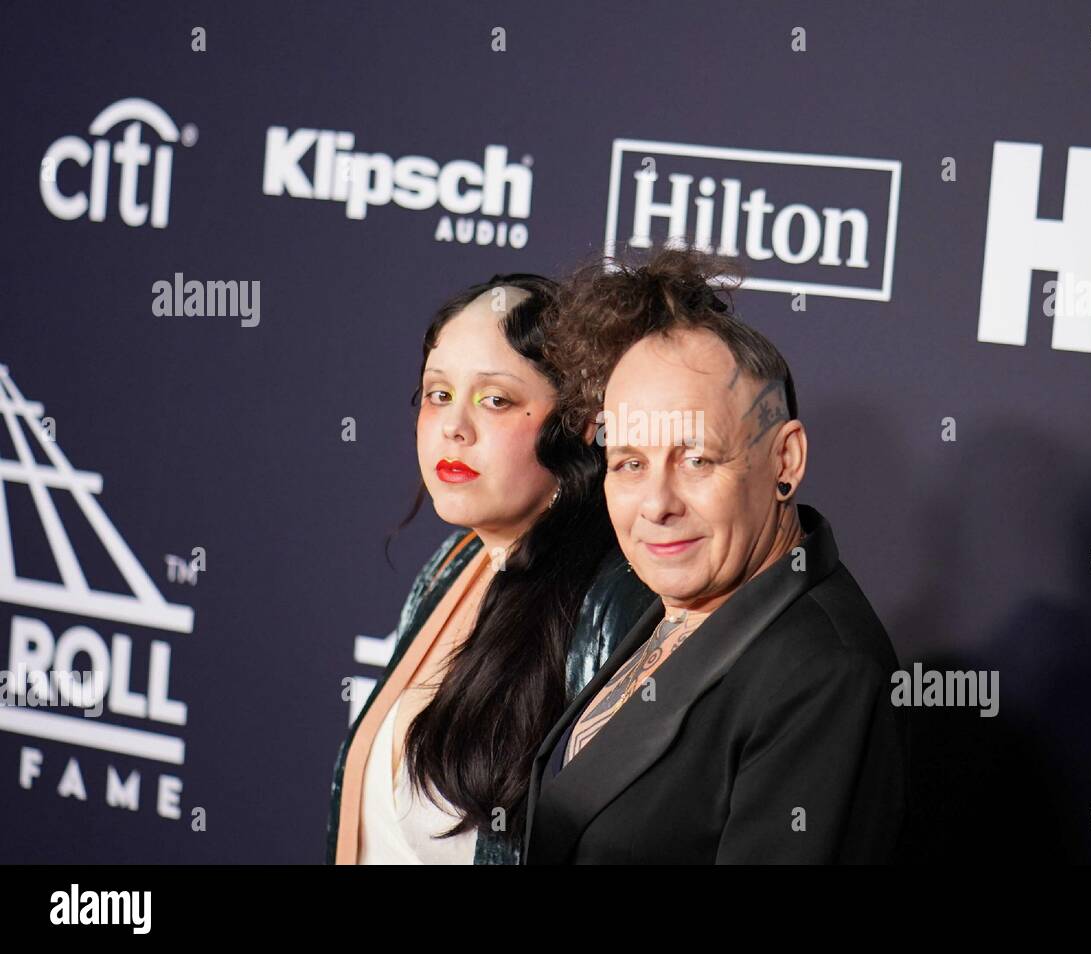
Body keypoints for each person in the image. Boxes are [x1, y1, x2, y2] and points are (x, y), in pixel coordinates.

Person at [523, 248, 908, 864]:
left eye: (697, 459)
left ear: (784, 461)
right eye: (629, 463)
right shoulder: (685, 603)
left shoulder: (824, 674)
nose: (656, 504)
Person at [326, 273, 655, 864]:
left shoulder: (612, 608)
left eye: (496, 399)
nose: (455, 426)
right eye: (438, 394)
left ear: (579, 423)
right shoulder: (452, 567)